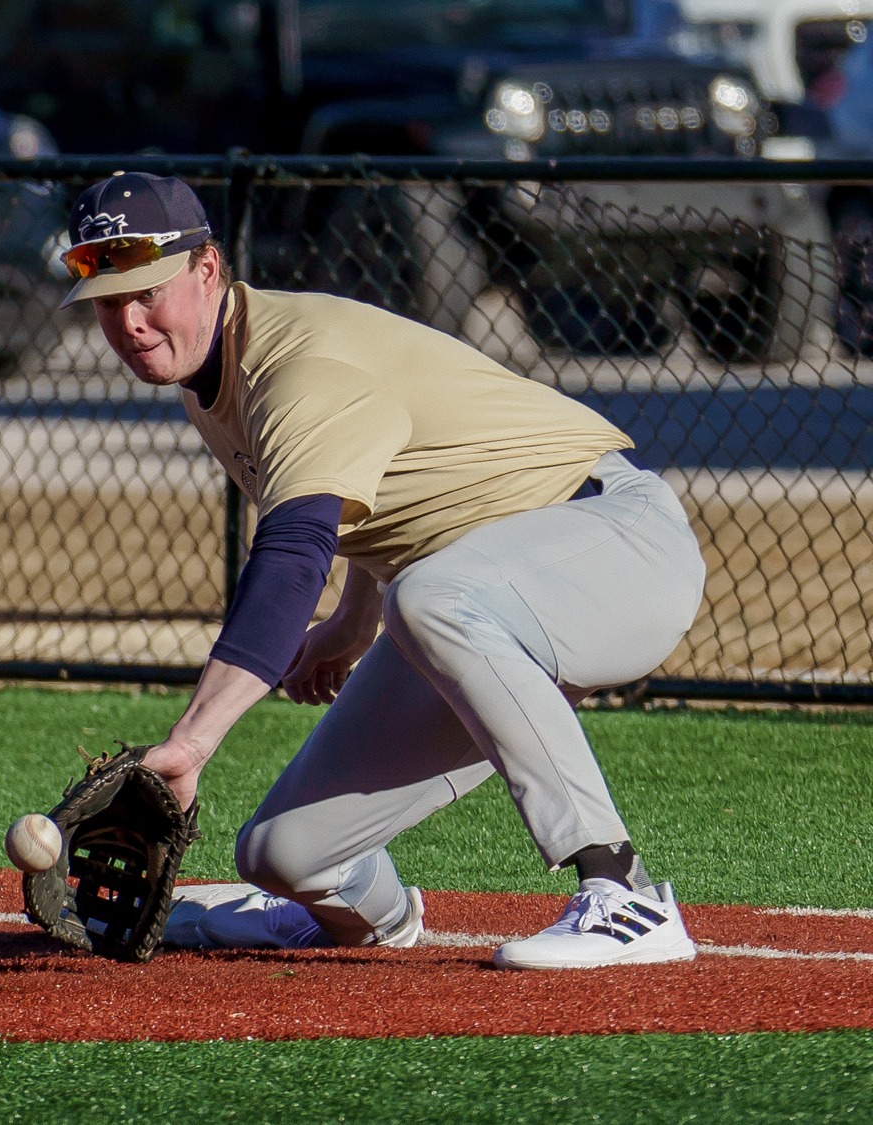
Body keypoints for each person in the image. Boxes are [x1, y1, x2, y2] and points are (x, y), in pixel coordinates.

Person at [56, 173, 705, 969]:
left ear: (207, 269)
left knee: (429, 596)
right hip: (485, 595)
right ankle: (379, 916)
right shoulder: (210, 369)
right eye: (107, 299)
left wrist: (190, 744)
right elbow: (387, 486)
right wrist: (353, 621)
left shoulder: (297, 366)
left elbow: (293, 558)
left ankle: (624, 890)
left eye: (147, 291)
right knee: (284, 854)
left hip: (615, 544)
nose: (128, 320)